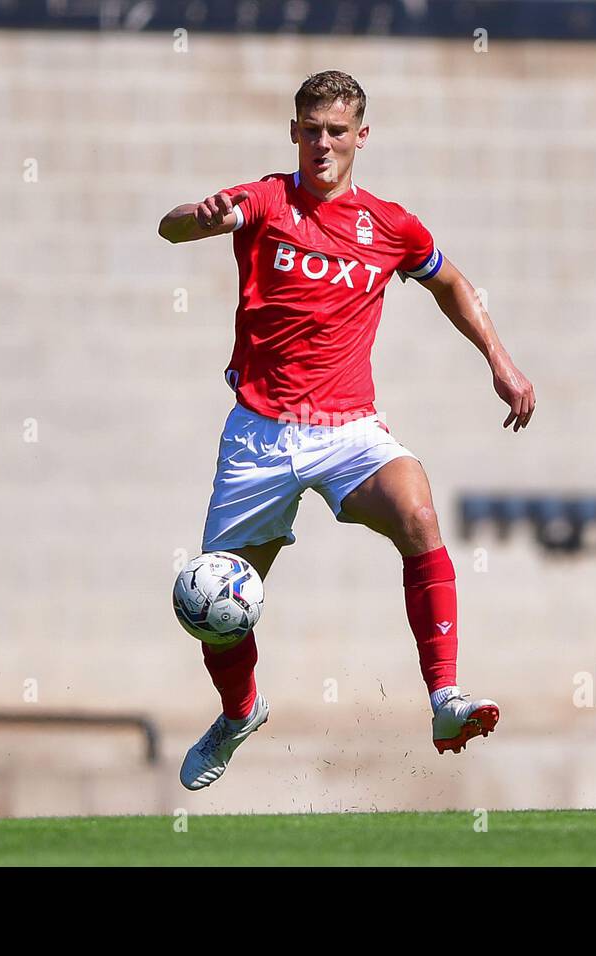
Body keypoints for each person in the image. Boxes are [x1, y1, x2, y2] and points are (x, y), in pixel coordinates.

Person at [158, 72, 535, 791]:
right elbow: (171, 226)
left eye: (336, 130)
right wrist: (195, 216)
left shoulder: (390, 225)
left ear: (362, 136)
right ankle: (240, 713)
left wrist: (500, 358)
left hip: (348, 431)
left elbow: (451, 283)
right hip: (260, 435)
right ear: (293, 132)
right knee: (214, 603)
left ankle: (445, 699)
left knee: (419, 513)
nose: (322, 143)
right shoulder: (265, 199)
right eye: (310, 129)